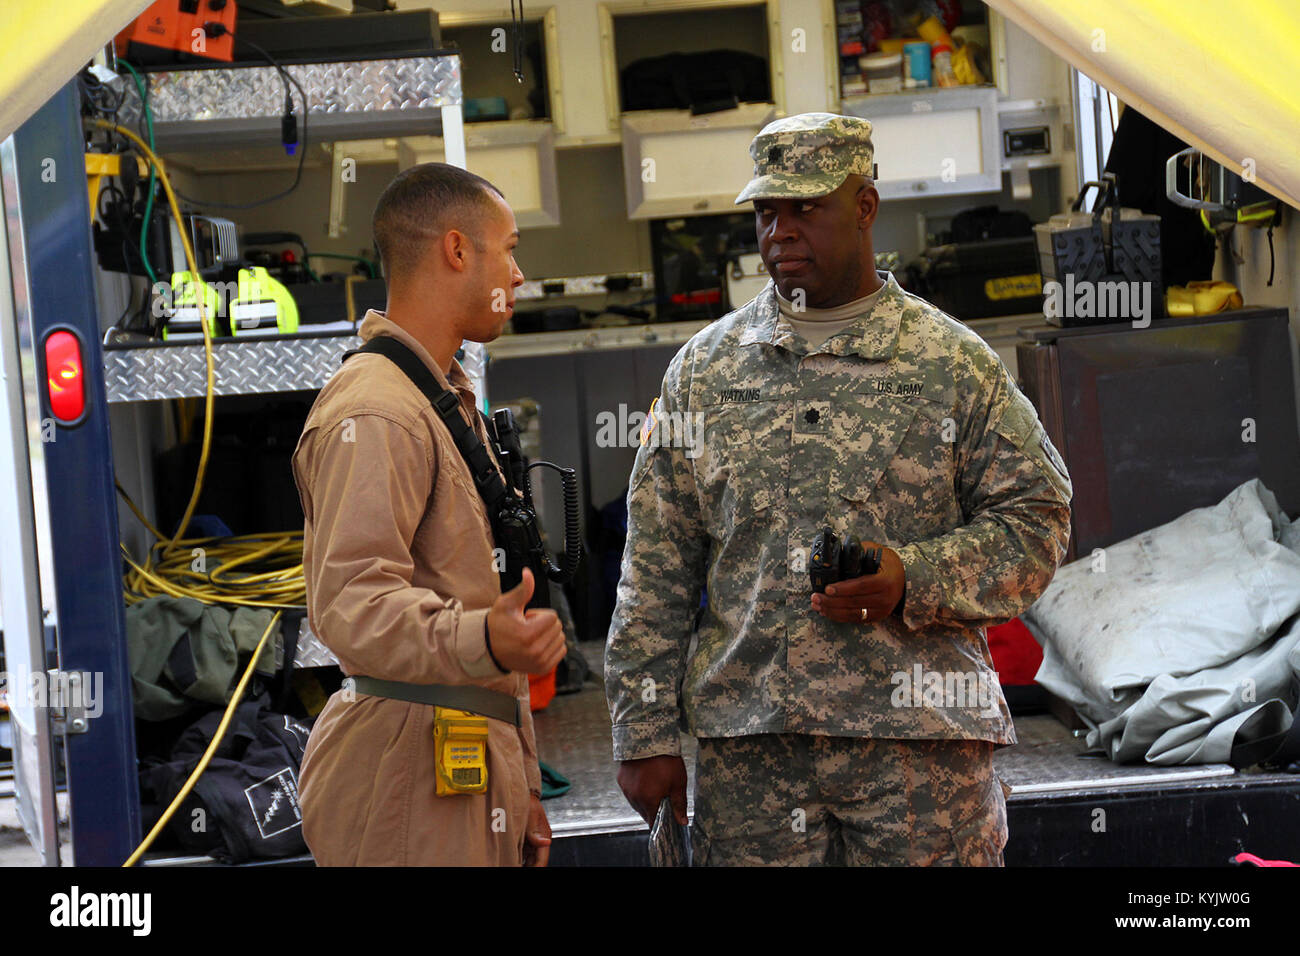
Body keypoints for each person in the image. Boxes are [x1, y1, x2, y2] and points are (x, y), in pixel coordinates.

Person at [606, 113, 1073, 865]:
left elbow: (1037, 524)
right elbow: (655, 564)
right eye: (766, 211)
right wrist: (643, 729)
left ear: (865, 206)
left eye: (806, 208)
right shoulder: (704, 372)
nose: (780, 233)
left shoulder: (953, 365)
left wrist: (911, 578)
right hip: (754, 760)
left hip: (919, 755)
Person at [292, 163, 567, 866]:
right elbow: (350, 604)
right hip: (406, 785)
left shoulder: (438, 399)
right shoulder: (377, 412)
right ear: (456, 251)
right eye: (509, 249)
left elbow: (470, 605)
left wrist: (522, 788)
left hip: (461, 773)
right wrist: (484, 637)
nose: (520, 273)